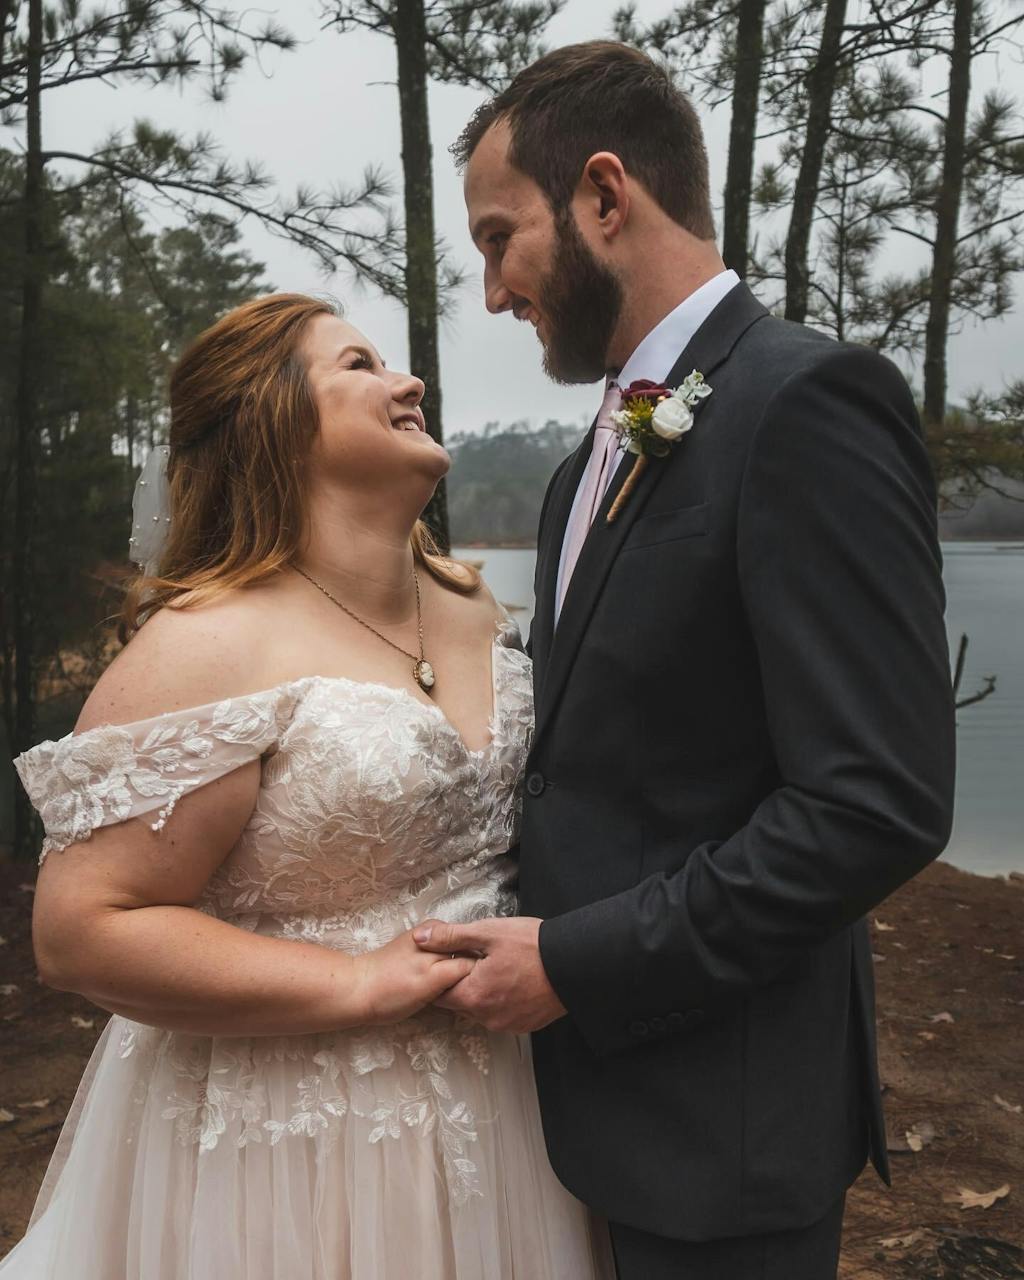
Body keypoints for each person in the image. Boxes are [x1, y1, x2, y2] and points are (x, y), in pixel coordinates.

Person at [412, 41, 957, 1280]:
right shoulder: (575, 475)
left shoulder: (808, 403)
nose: (492, 290)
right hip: (575, 1119)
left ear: (604, 196)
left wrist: (574, 962)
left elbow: (874, 801)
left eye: (500, 239)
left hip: (726, 1127)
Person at [4, 293, 613, 1279]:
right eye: (361, 364)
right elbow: (79, 928)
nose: (408, 381)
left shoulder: (473, 603)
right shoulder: (206, 642)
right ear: (275, 423)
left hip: (508, 1115)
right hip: (286, 1143)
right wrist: (355, 980)